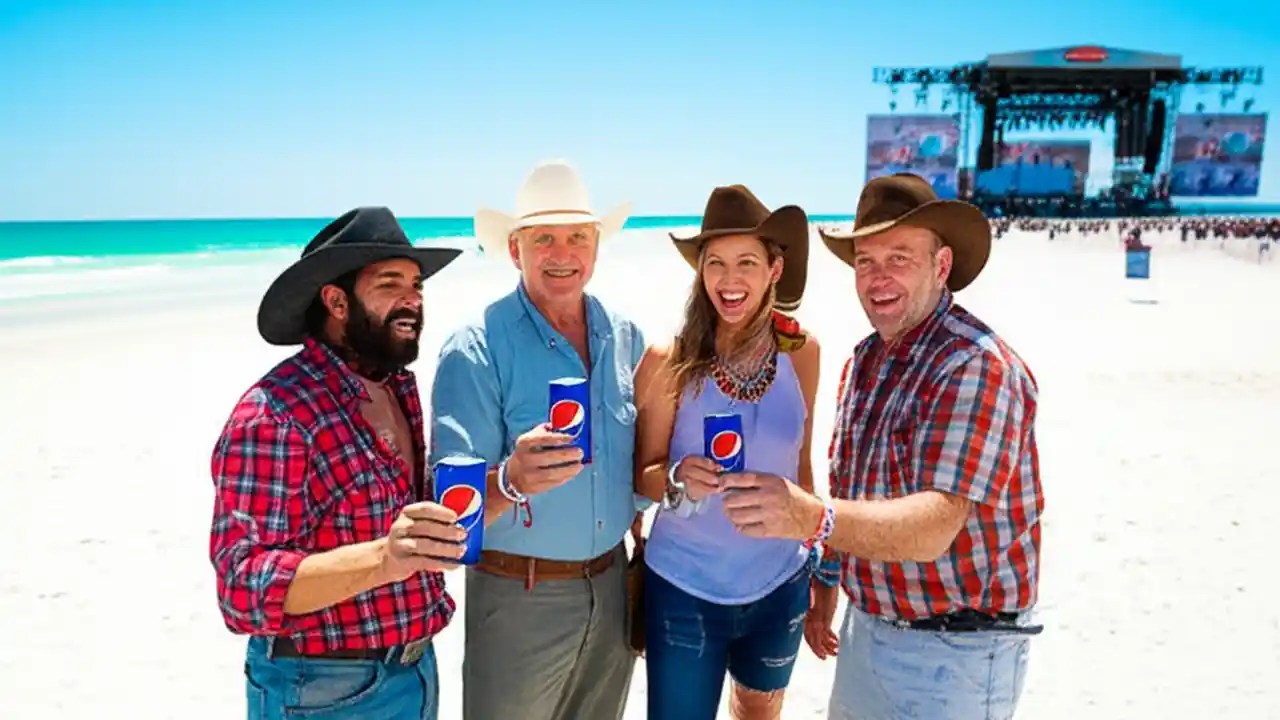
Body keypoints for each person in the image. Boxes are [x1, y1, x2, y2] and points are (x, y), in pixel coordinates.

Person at [715, 173, 1044, 720]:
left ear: (941, 267)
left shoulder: (976, 364)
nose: (878, 277)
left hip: (959, 651)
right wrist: (828, 581)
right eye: (865, 261)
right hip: (867, 630)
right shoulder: (865, 360)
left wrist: (808, 517)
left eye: (899, 258)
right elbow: (858, 491)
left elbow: (934, 526)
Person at [209, 207, 467, 719]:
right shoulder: (275, 414)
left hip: (416, 668)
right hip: (321, 689)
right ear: (336, 300)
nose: (412, 299)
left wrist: (515, 480)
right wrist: (383, 559)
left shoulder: (397, 388)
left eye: (416, 284)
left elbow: (410, 528)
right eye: (390, 283)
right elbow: (241, 587)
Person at [429, 160, 645, 720]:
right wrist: (510, 480)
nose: (562, 253)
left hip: (614, 588)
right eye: (543, 238)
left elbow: (638, 467)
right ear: (514, 250)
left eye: (577, 237)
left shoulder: (626, 337)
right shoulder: (475, 347)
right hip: (519, 600)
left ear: (596, 246)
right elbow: (453, 520)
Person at [632, 185, 820, 720]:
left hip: (780, 580)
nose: (729, 280)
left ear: (774, 270)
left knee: (759, 713)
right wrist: (675, 478)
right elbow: (642, 475)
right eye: (715, 264)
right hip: (685, 586)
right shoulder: (671, 358)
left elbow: (803, 468)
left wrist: (820, 571)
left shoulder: (803, 353)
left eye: (745, 263)